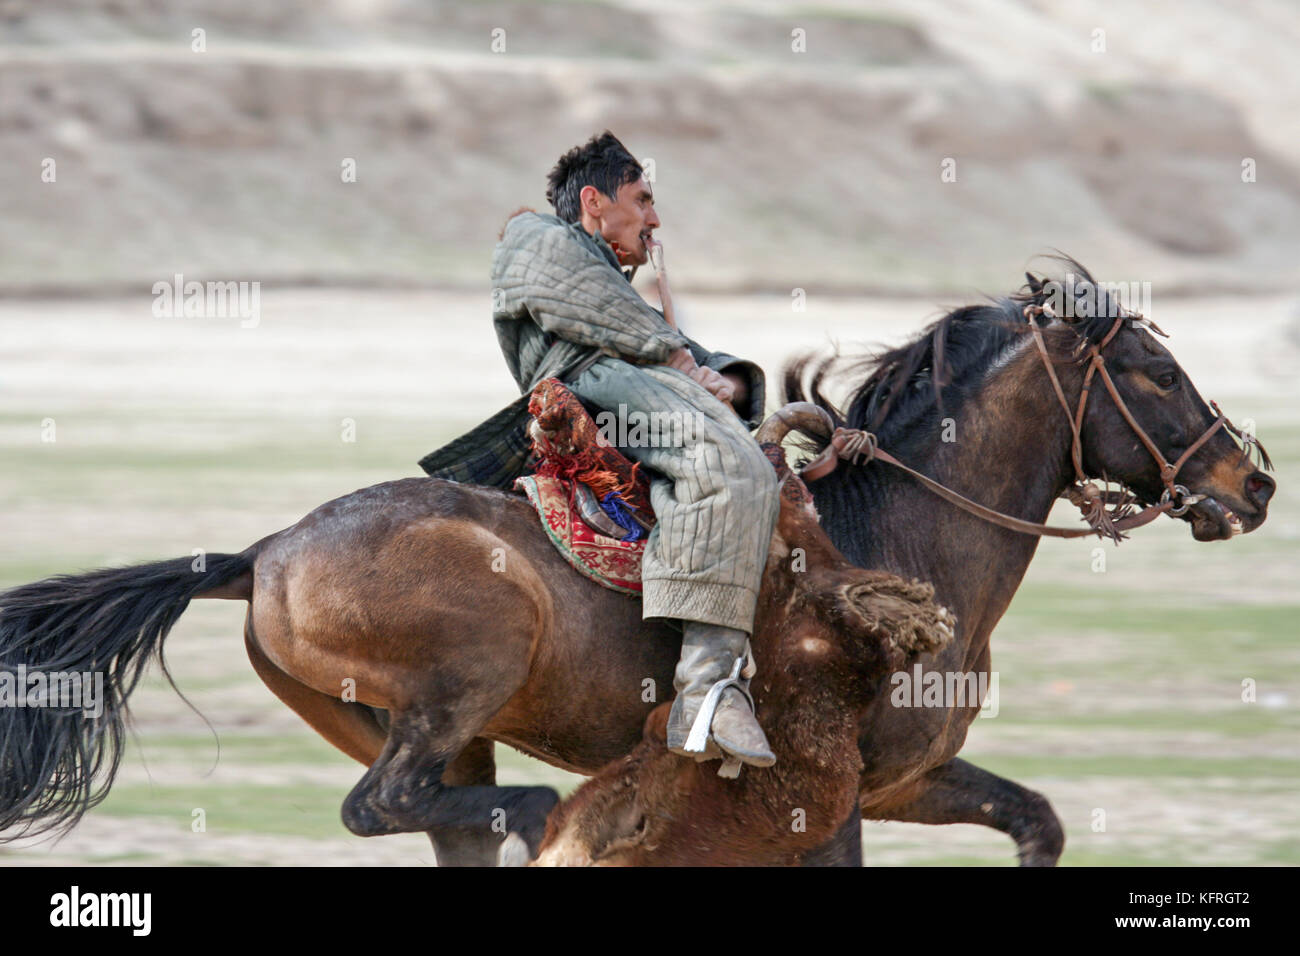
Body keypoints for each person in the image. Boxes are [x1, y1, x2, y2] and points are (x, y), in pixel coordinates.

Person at [419, 131, 780, 769]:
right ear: (593, 200)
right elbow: (612, 319)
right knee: (728, 467)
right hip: (592, 386)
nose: (654, 217)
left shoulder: (599, 270)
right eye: (642, 200)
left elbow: (650, 331)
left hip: (629, 381)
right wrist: (678, 359)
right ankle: (707, 686)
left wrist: (728, 379)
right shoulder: (538, 241)